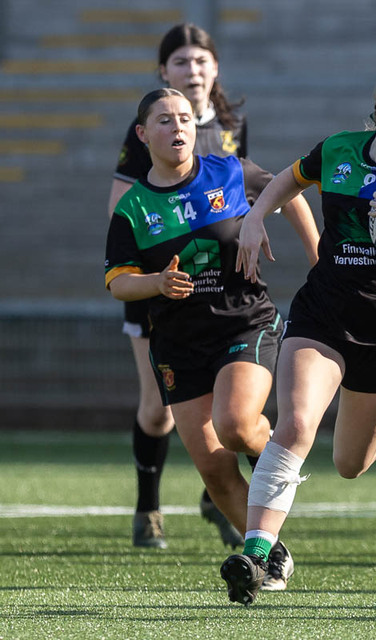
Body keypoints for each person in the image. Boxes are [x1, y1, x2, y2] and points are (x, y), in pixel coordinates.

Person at [218, 55, 376, 605]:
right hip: (322, 318)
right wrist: (257, 216)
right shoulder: (337, 151)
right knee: (297, 424)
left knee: (349, 464)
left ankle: (373, 428)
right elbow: (290, 178)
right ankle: (257, 554)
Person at [105, 88, 319, 589]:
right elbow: (117, 280)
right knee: (212, 465)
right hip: (178, 346)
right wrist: (156, 283)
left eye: (184, 118)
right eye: (163, 120)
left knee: (237, 425)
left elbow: (289, 190)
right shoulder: (133, 208)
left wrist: (318, 258)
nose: (177, 127)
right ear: (142, 134)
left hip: (244, 323)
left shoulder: (229, 170)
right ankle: (266, 555)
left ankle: (278, 449)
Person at [108, 24, 251, 550]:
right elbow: (121, 209)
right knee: (159, 410)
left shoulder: (231, 126)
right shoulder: (146, 127)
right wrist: (154, 266)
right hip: (158, 282)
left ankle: (220, 496)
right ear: (163, 72)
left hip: (221, 296)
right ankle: (148, 509)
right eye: (181, 63)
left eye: (201, 61)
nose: (193, 71)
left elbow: (248, 196)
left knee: (230, 403)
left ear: (214, 69)